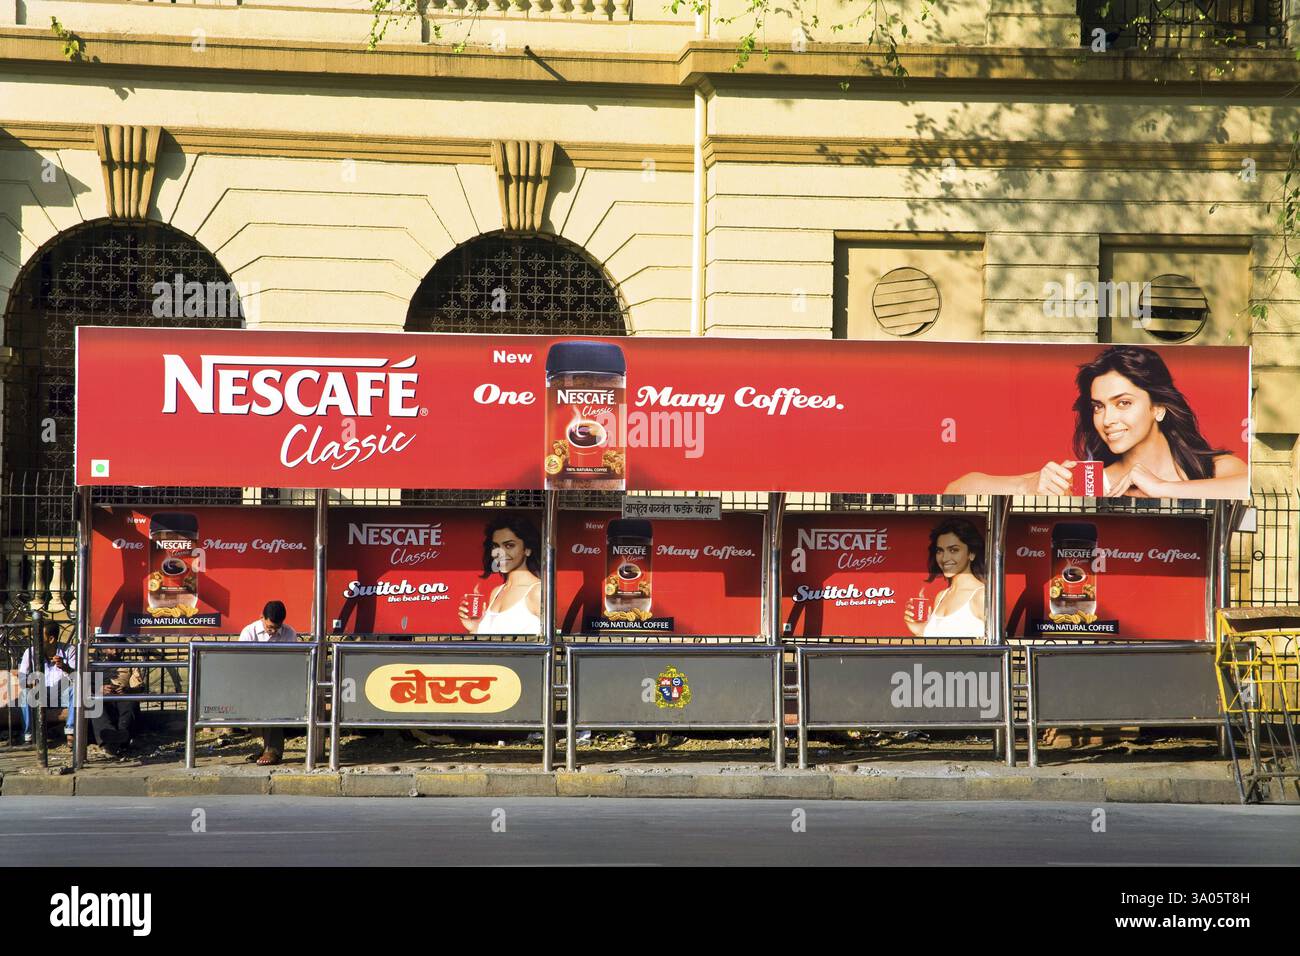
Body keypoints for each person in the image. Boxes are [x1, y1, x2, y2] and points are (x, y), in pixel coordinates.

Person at [944, 345, 1248, 498]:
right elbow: (956, 489)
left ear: (1158, 408)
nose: (1108, 419)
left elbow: (1249, 487)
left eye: (1123, 403)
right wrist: (1028, 485)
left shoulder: (1211, 469)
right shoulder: (1091, 480)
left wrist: (1160, 488)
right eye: (1099, 407)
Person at [459, 516, 543, 637]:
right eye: (495, 546)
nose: (500, 553)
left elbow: (552, 643)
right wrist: (475, 628)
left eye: (509, 545)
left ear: (527, 549)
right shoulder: (496, 592)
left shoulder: (537, 592)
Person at [237, 600, 299, 765]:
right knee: (265, 698)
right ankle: (268, 748)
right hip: (252, 681)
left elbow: (293, 661)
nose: (272, 631)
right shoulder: (249, 633)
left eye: (276, 628)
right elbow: (242, 664)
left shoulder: (289, 633)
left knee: (273, 699)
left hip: (280, 682)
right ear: (261, 617)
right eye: (269, 627)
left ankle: (273, 750)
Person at [904, 518, 986, 640]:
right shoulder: (941, 596)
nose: (944, 558)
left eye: (953, 550)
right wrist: (920, 630)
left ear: (971, 553)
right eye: (940, 551)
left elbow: (995, 648)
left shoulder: (982, 595)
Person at [17, 622, 75, 746]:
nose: (35, 642)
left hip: (61, 696)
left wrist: (65, 667)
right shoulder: (31, 652)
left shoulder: (69, 650)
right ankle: (29, 737)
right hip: (40, 695)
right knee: (25, 693)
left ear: (51, 639)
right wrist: (28, 682)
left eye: (39, 638)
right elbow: (22, 677)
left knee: (76, 690)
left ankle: (71, 732)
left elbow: (79, 677)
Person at [90, 646, 144, 757]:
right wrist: (99, 689)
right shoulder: (94, 666)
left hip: (121, 698)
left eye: (118, 648)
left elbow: (138, 687)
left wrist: (126, 689)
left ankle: (121, 736)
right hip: (102, 698)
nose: (114, 652)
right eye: (110, 648)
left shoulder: (130, 666)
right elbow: (84, 687)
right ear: (103, 649)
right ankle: (110, 737)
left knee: (131, 703)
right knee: (94, 703)